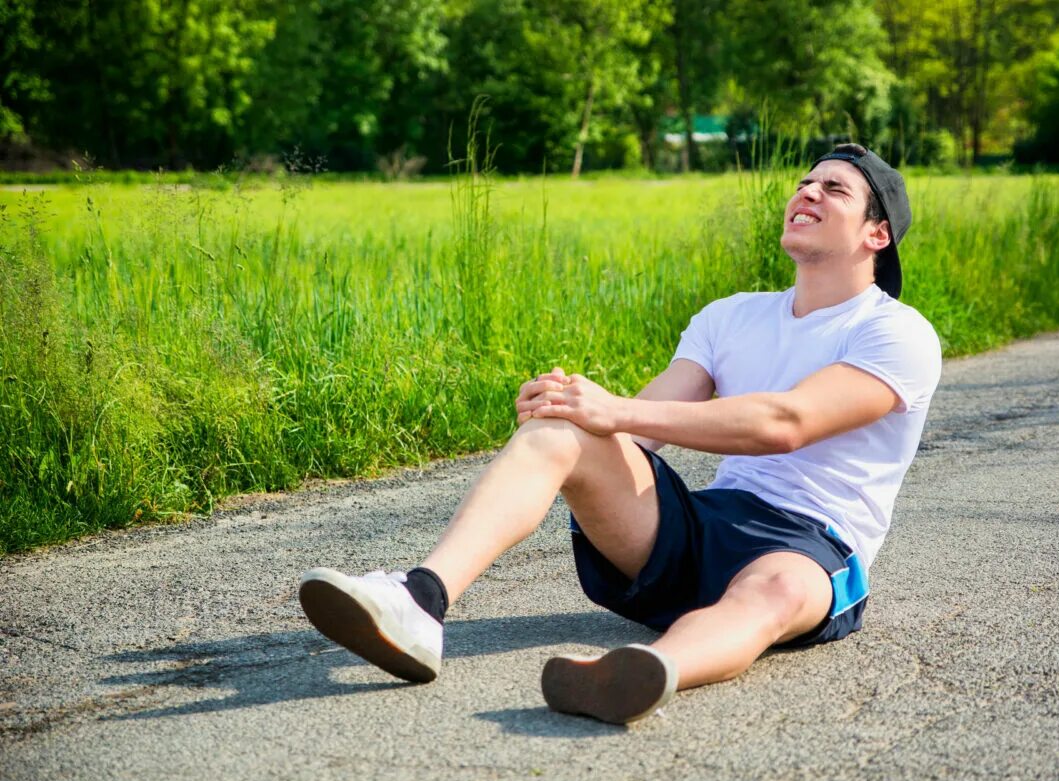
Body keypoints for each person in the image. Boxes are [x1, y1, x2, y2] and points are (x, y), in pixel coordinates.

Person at [298, 143, 942, 725]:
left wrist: (614, 412)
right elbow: (642, 430)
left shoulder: (897, 333)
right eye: (805, 182)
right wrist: (572, 415)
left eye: (835, 190)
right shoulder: (731, 317)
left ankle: (647, 670)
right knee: (564, 430)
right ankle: (420, 600)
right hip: (699, 528)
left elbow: (787, 423)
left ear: (877, 234)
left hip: (811, 544)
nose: (808, 193)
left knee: (772, 591)